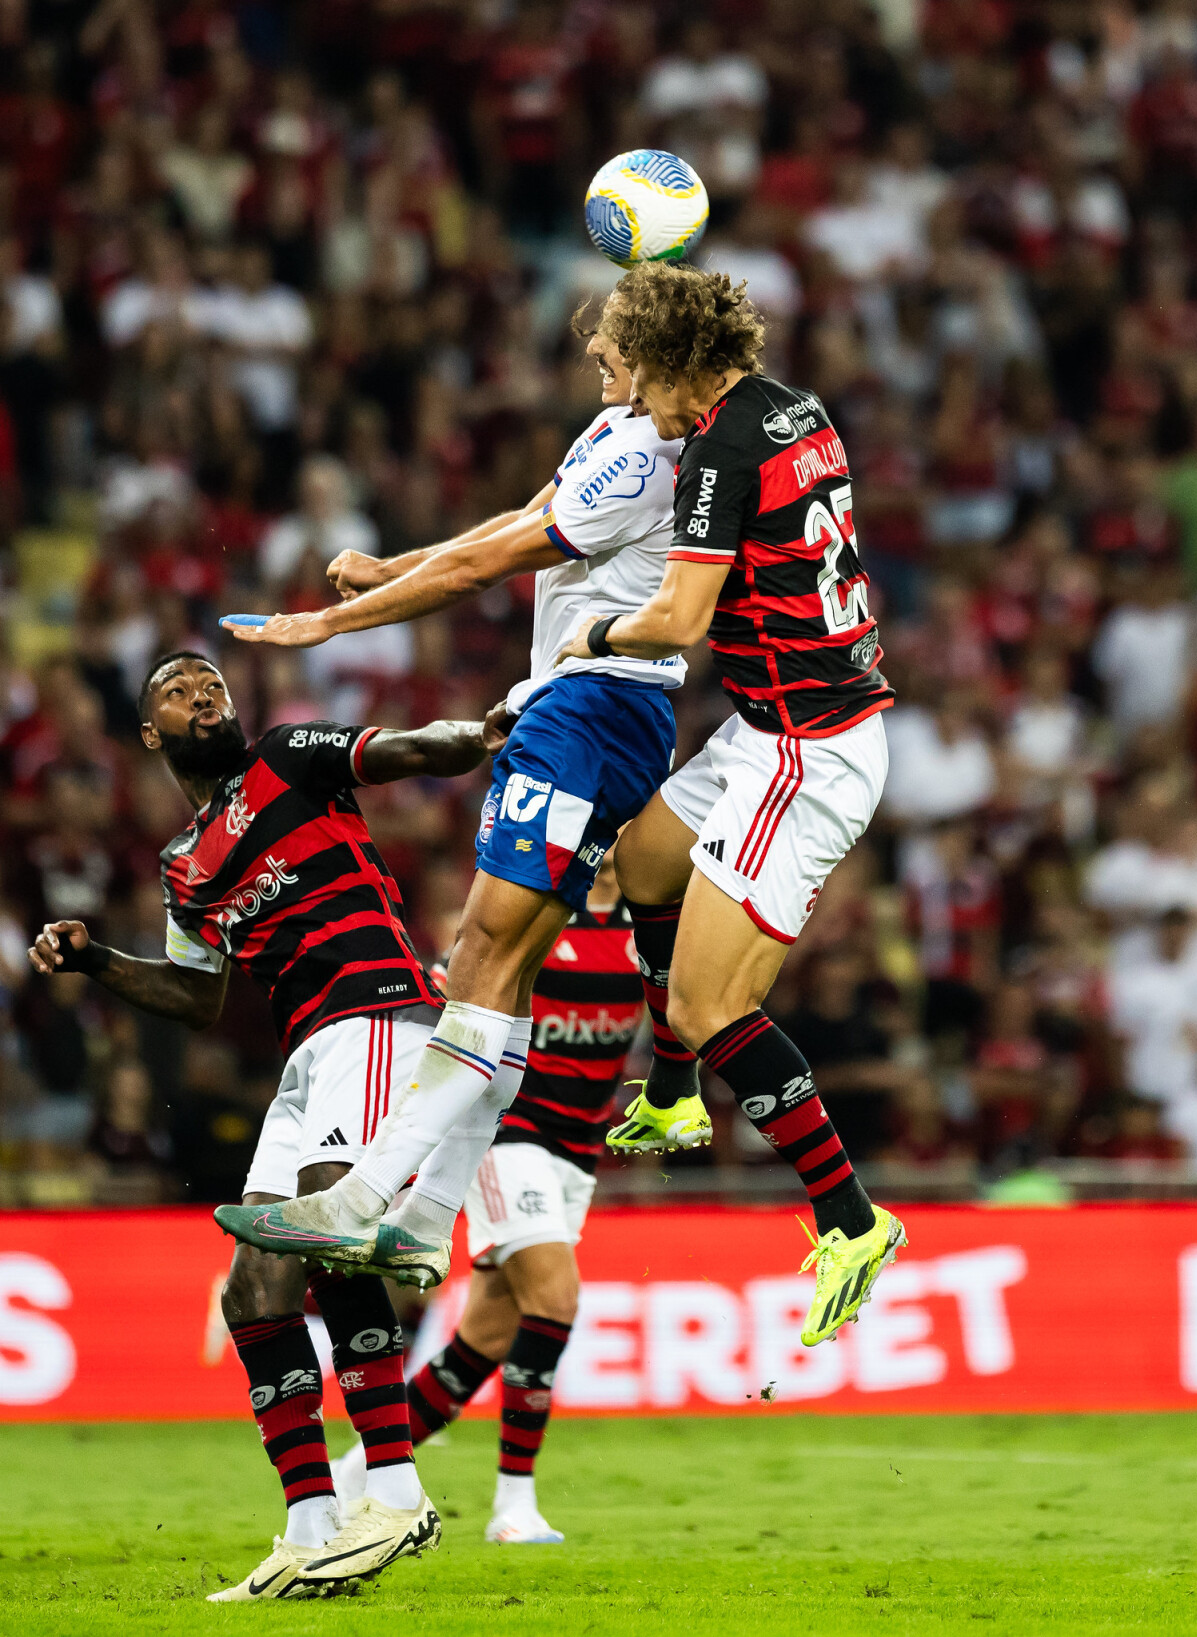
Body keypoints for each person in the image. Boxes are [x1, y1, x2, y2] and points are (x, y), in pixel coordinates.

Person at [212, 301, 709, 1277]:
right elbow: (521, 518)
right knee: (510, 969)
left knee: (481, 949)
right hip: (626, 718)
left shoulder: (645, 457)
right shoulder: (622, 429)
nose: (591, 352)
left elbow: (493, 561)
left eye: (606, 340)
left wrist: (325, 627)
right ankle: (427, 1217)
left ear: (647, 353)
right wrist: (399, 565)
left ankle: (362, 1196)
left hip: (586, 712)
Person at [28, 650, 504, 1598]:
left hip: (374, 1011)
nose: (206, 695)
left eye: (214, 683)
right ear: (151, 733)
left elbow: (402, 750)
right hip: (305, 1055)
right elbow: (199, 996)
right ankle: (311, 1524)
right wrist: (98, 962)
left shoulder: (289, 759)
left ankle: (397, 1489)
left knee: (330, 1225)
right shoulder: (182, 869)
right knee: (253, 1291)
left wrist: (474, 737)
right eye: (179, 690)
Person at [556, 264, 905, 1347]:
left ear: (670, 361)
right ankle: (671, 1094)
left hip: (806, 750)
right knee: (639, 865)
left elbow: (680, 616)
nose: (625, 401)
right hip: (772, 724)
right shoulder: (797, 407)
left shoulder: (721, 447)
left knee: (713, 1010)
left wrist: (595, 635)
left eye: (630, 374)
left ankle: (851, 1217)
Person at [333, 850, 641, 1545]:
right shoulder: (539, 907)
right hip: (508, 1132)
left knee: (486, 1339)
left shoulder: (648, 920)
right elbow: (458, 987)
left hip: (577, 1147)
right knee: (556, 1298)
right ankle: (514, 1506)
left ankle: (358, 1472)